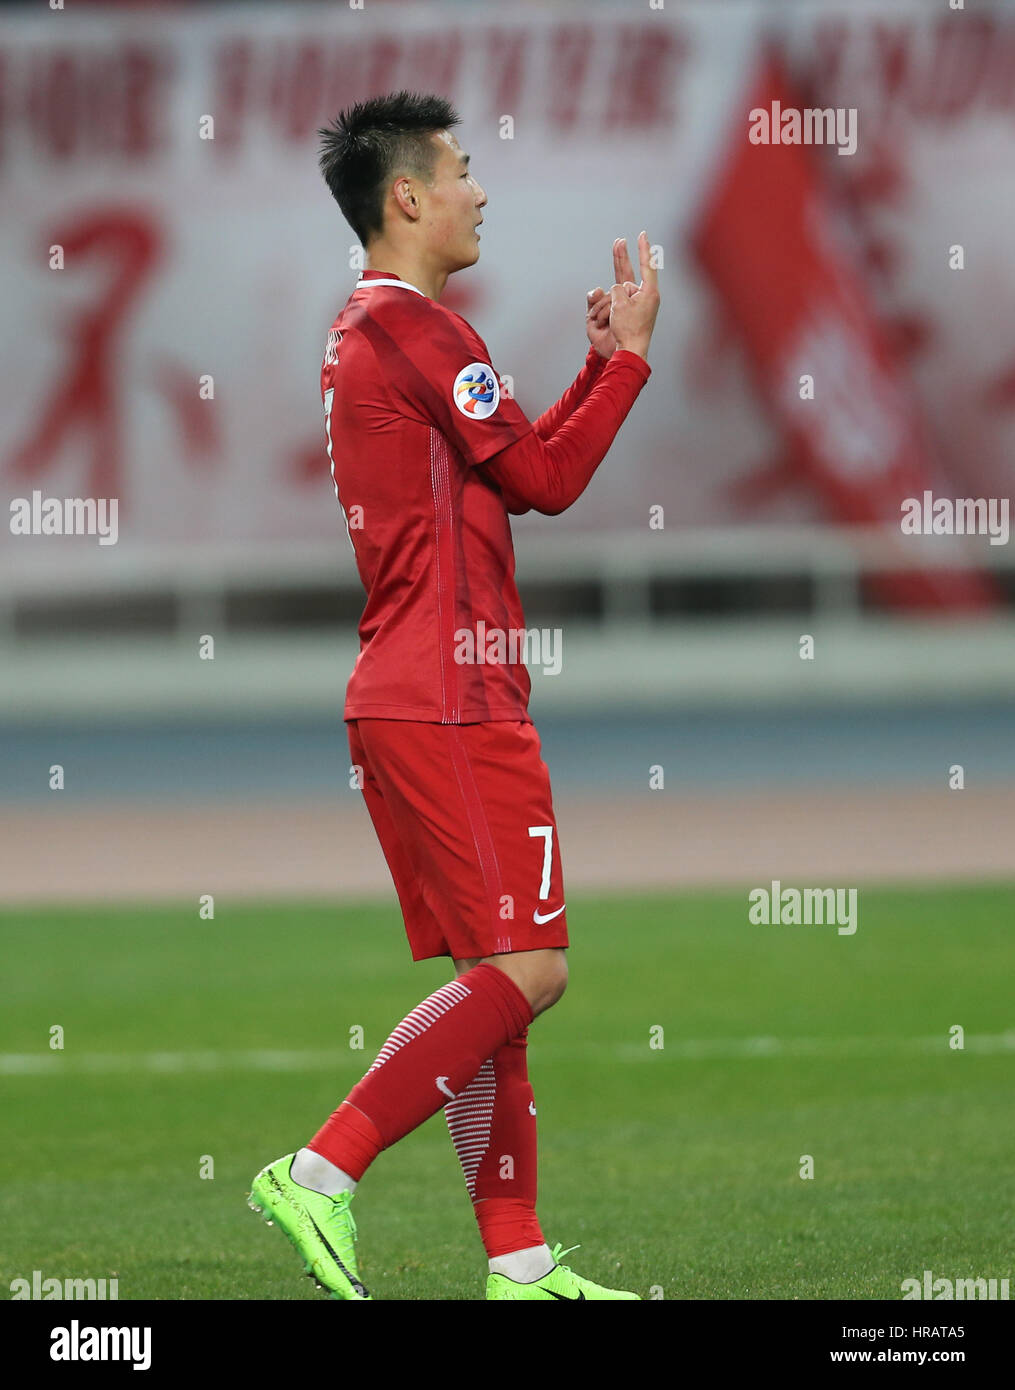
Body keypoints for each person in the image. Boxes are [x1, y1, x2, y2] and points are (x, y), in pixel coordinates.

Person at [248, 89, 659, 1302]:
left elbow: (521, 467)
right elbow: (546, 480)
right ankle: (320, 1169)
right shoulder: (423, 331)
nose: (483, 190)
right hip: (450, 692)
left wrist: (596, 365)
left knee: (497, 986)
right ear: (408, 197)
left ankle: (519, 1262)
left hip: (410, 684)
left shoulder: (370, 336)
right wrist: (630, 360)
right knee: (531, 971)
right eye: (465, 171)